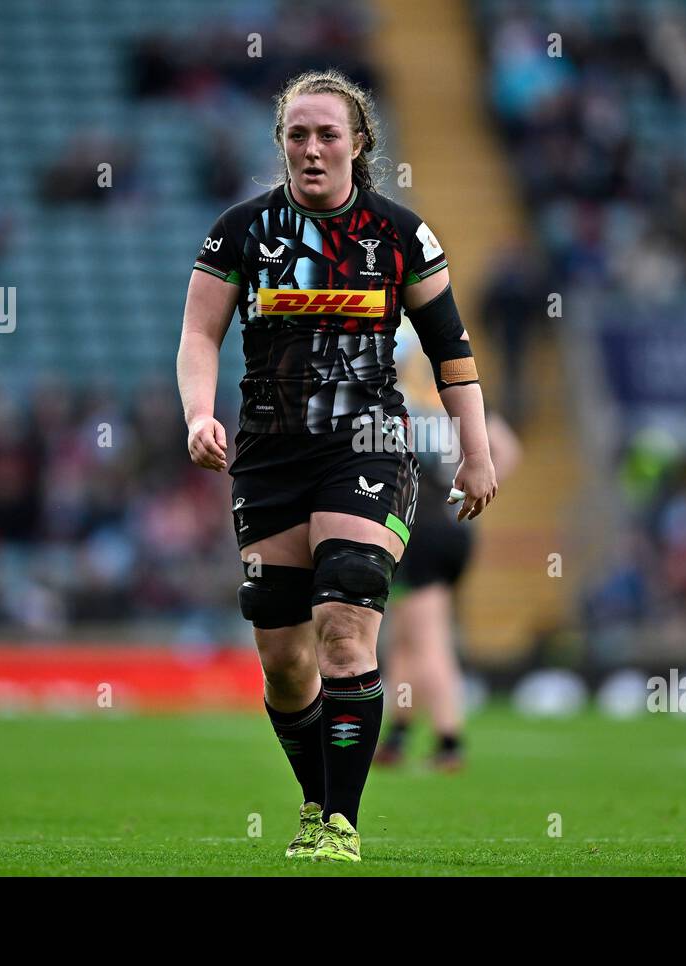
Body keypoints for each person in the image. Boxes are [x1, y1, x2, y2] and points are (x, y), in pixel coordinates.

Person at [176, 69, 498, 862]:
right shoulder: (241, 233)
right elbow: (198, 337)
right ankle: (317, 803)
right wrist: (197, 413)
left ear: (360, 143)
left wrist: (477, 455)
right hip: (268, 455)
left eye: (328, 134)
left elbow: (454, 355)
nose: (313, 148)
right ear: (281, 144)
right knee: (286, 665)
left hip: (368, 446)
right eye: (297, 134)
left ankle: (342, 824)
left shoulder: (401, 236)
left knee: (346, 625)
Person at [376, 322, 520, 771]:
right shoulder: (453, 385)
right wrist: (463, 492)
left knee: (427, 638)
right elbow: (507, 450)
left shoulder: (386, 387)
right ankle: (397, 738)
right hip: (449, 522)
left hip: (416, 520)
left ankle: (449, 740)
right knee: (405, 638)